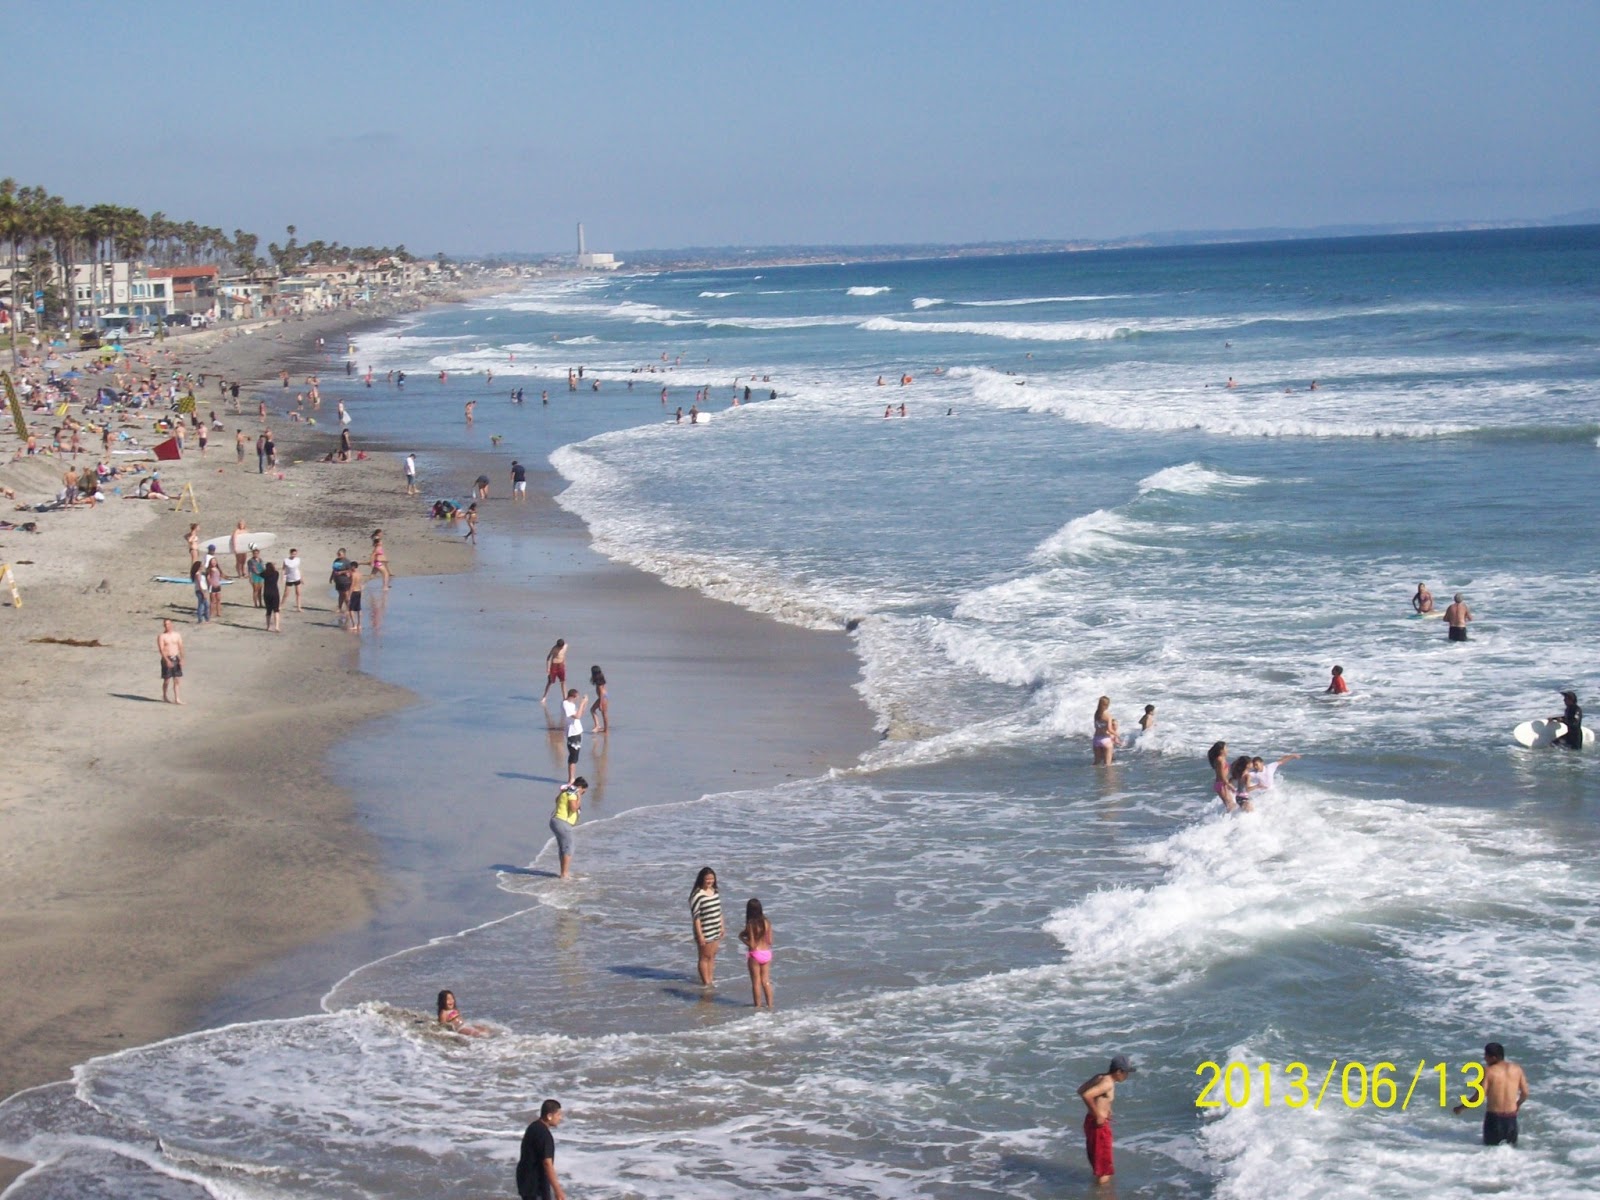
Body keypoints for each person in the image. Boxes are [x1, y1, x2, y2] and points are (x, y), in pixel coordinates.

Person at [1453, 1042, 1528, 1146]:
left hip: (1495, 1120)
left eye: (1486, 1056)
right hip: (1511, 1119)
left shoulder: (1488, 1071)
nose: (1484, 1058)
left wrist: (1461, 1108)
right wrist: (1517, 1105)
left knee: (1490, 1152)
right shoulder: (1517, 1069)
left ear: (1493, 1057)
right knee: (1510, 1154)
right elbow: (1525, 1093)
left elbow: (1479, 1097)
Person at [1077, 1055, 1136, 1184]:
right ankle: (1103, 1194)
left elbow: (1081, 1090)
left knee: (1098, 1162)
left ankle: (1098, 1190)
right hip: (1099, 1126)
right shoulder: (1108, 1083)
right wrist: (1098, 1115)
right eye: (1126, 1073)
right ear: (1119, 1071)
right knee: (1104, 1169)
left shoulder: (1100, 1077)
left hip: (1090, 1122)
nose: (1127, 1076)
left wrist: (1105, 1108)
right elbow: (1087, 1096)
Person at [516, 1099, 565, 1200]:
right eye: (558, 1114)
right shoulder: (545, 1135)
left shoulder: (533, 1127)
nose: (561, 1118)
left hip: (525, 1182)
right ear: (549, 1116)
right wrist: (558, 1191)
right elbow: (547, 1163)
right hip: (537, 1185)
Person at [690, 867, 725, 987]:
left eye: (712, 878)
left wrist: (722, 926)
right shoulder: (697, 895)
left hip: (716, 928)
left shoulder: (715, 891)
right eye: (707, 879)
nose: (710, 881)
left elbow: (719, 911)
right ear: (702, 879)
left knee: (712, 956)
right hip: (705, 930)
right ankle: (706, 983)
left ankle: (710, 979)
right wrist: (700, 935)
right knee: (704, 957)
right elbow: (696, 917)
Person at [739, 897, 775, 1009]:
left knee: (756, 982)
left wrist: (742, 938)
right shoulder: (767, 922)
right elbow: (770, 941)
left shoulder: (751, 924)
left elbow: (753, 945)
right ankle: (770, 1005)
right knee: (766, 981)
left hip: (756, 954)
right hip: (767, 953)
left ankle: (758, 1006)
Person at [549, 777, 587, 880]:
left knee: (563, 847)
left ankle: (563, 872)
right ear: (580, 788)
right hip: (562, 822)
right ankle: (564, 874)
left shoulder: (565, 791)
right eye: (583, 791)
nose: (583, 793)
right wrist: (579, 797)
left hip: (555, 821)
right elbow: (574, 808)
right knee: (569, 847)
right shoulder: (572, 794)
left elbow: (556, 800)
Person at [1208, 740, 1249, 812]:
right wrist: (1229, 785)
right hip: (1221, 785)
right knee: (1230, 805)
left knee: (1231, 804)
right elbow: (1222, 776)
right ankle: (1227, 821)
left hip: (1222, 784)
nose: (1227, 749)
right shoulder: (1220, 760)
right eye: (1225, 748)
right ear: (1221, 750)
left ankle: (1228, 820)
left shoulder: (1221, 759)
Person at [561, 688, 588, 785]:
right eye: (577, 697)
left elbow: (580, 714)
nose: (577, 699)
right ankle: (571, 779)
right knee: (573, 756)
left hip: (577, 732)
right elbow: (577, 716)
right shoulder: (566, 704)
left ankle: (572, 777)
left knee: (575, 756)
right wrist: (581, 704)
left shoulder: (572, 705)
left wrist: (584, 704)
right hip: (572, 733)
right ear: (573, 696)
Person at [157, 619, 185, 704]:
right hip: (167, 658)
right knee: (167, 680)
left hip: (175, 657)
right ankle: (165, 695)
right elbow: (161, 649)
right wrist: (167, 660)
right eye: (165, 624)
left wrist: (182, 658)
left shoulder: (177, 635)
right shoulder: (162, 636)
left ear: (171, 624)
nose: (167, 626)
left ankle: (177, 698)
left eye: (168, 624)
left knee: (177, 679)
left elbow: (180, 647)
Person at [1092, 696, 1118, 766]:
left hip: (1096, 739)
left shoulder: (1096, 714)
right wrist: (1116, 734)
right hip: (1105, 739)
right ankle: (1108, 776)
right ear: (1107, 704)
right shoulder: (1108, 715)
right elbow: (1109, 729)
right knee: (1107, 764)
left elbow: (1095, 726)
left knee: (1096, 762)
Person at [588, 665, 610, 733]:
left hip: (603, 697)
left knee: (601, 712)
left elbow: (601, 692)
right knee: (597, 711)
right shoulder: (601, 677)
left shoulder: (598, 679)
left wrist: (600, 704)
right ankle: (601, 727)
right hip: (605, 695)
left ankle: (603, 728)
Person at [346, 561, 365, 632]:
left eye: (351, 567)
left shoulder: (353, 575)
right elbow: (361, 584)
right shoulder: (360, 574)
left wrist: (349, 595)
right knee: (358, 609)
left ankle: (354, 625)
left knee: (351, 609)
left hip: (354, 592)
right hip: (359, 591)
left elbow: (352, 585)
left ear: (353, 567)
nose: (350, 568)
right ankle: (359, 625)